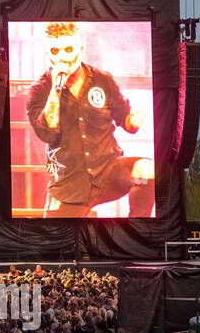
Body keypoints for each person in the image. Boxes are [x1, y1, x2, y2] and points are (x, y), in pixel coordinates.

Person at [26, 21, 154, 218]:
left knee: (145, 170)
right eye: (55, 50)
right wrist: (55, 89)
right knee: (53, 240)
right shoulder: (39, 90)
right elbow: (47, 133)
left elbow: (124, 119)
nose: (63, 56)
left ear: (80, 48)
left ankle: (137, 230)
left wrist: (132, 121)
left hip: (109, 172)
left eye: (68, 49)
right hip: (69, 184)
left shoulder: (103, 80)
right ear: (47, 54)